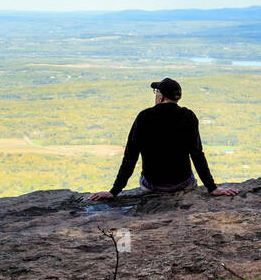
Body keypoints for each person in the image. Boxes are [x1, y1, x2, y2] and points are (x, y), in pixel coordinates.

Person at [87, 77, 238, 200]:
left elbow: (130, 156)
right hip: (183, 184)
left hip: (153, 186)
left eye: (156, 92)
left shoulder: (144, 117)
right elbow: (197, 154)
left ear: (160, 97)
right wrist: (212, 188)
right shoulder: (188, 116)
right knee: (189, 175)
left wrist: (114, 191)